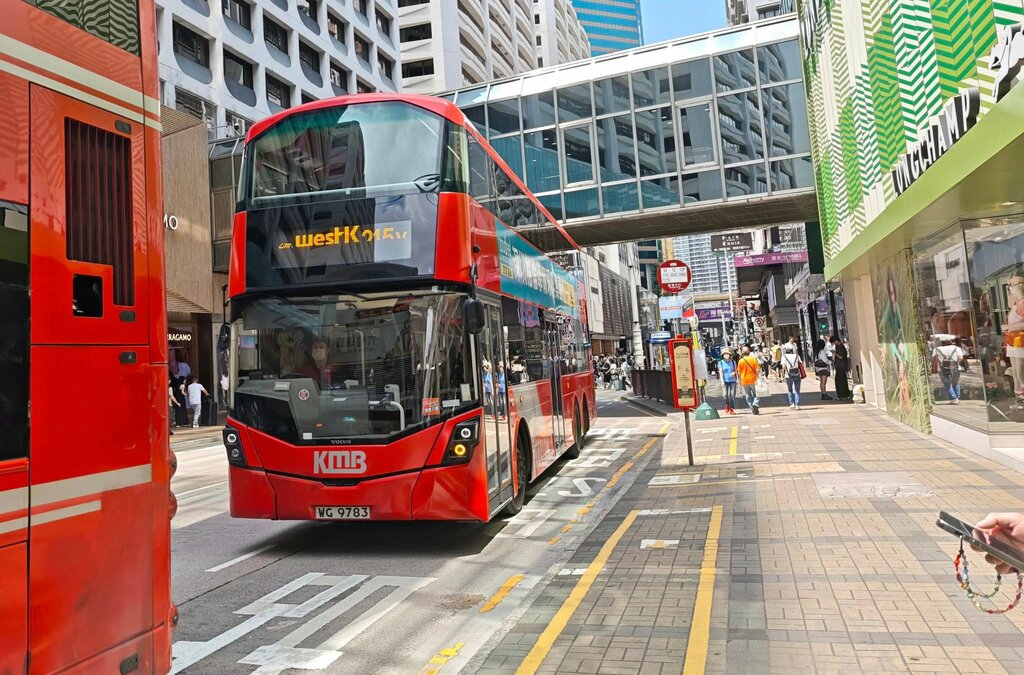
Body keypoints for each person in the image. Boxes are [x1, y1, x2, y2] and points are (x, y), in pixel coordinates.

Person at [932, 336, 965, 404]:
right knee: (955, 382)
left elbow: (934, 358)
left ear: (941, 342)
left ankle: (954, 398)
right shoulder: (956, 348)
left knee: (947, 383)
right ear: (951, 341)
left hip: (942, 368)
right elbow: (961, 358)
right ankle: (957, 397)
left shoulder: (937, 349)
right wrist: (954, 362)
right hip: (956, 368)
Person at [736, 346, 762, 415]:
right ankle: (755, 404)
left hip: (744, 380)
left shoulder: (740, 361)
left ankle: (752, 408)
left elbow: (738, 372)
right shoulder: (753, 359)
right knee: (756, 394)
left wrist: (739, 381)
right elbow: (758, 370)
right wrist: (759, 377)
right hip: (753, 380)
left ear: (742, 353)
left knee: (748, 395)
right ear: (749, 352)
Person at [781, 343, 804, 410]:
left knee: (790, 389)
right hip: (797, 374)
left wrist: (782, 374)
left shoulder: (784, 357)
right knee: (797, 390)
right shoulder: (797, 356)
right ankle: (797, 404)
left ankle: (792, 404)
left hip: (788, 375)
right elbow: (800, 363)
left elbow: (783, 366)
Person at [830, 336, 852, 400]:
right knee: (841, 380)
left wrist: (835, 353)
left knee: (840, 381)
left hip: (841, 366)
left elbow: (841, 357)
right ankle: (844, 395)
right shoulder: (838, 346)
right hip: (839, 366)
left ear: (837, 340)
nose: (834, 344)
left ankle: (842, 395)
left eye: (834, 342)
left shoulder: (841, 347)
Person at [719, 348, 738, 414]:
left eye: (727, 354)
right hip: (725, 380)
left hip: (733, 380)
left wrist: (734, 373)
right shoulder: (721, 362)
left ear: (729, 355)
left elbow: (736, 370)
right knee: (725, 395)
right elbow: (720, 372)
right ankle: (727, 404)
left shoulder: (733, 362)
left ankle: (731, 408)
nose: (726, 355)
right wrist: (722, 381)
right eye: (724, 354)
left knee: (732, 395)